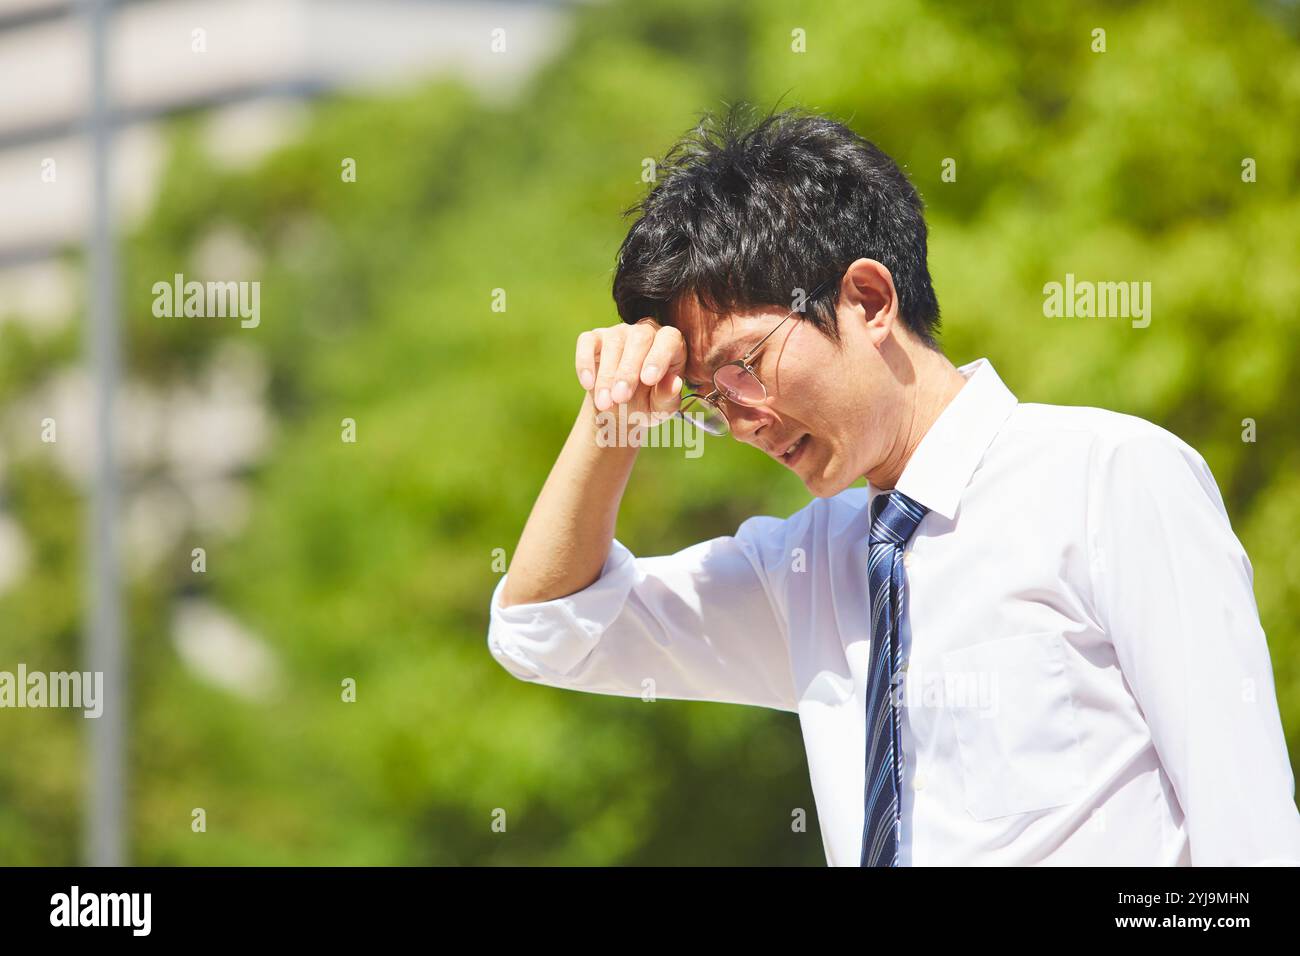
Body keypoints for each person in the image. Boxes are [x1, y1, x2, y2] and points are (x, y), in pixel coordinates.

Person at [485, 103, 1300, 866]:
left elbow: (1250, 835)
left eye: (742, 366)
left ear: (869, 299)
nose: (739, 420)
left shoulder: (1106, 479)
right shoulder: (805, 567)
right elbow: (545, 632)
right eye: (707, 395)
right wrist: (611, 416)